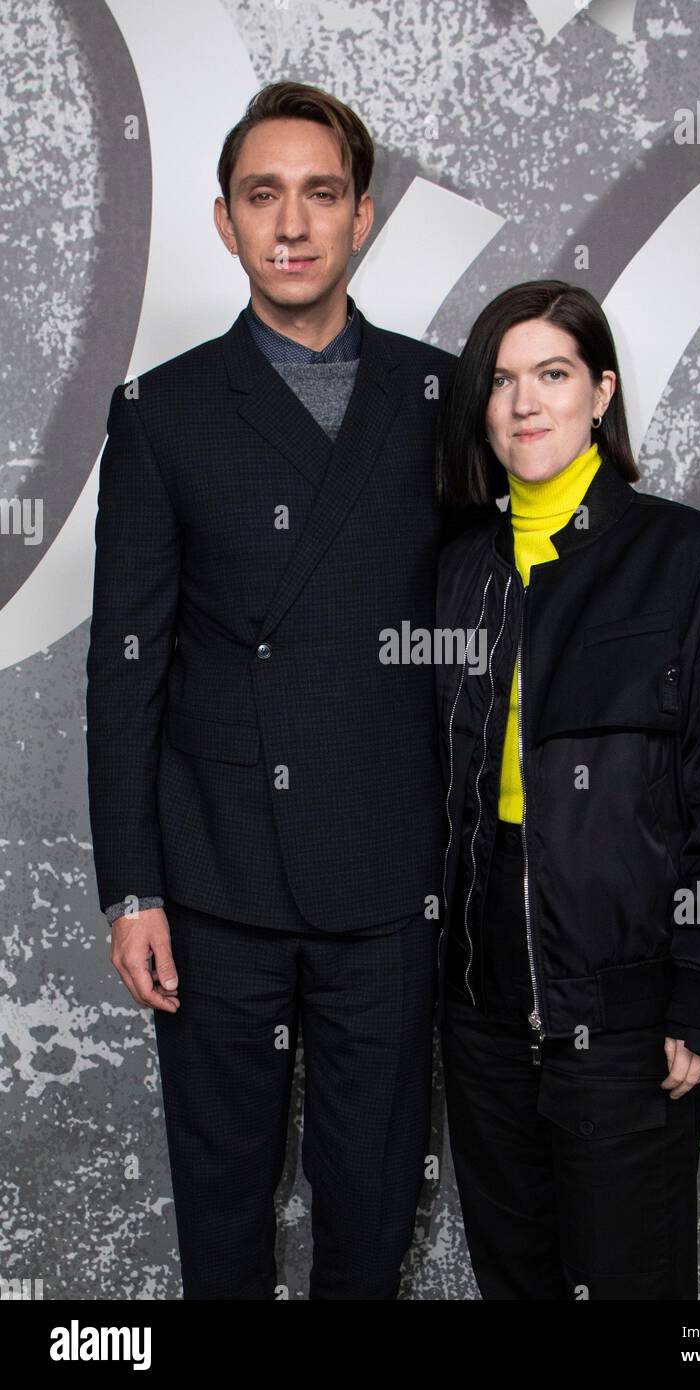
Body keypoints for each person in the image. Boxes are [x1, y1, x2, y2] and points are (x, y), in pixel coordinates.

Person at [86, 81, 456, 1299]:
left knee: (373, 1207)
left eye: (320, 193)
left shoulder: (444, 400)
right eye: (263, 195)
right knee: (224, 1205)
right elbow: (127, 662)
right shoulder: (160, 413)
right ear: (224, 223)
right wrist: (132, 886)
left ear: (361, 218)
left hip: (391, 876)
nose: (290, 222)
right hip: (214, 886)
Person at [432, 280, 700, 1300]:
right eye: (500, 381)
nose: (523, 402)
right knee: (515, 1279)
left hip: (625, 1006)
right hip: (481, 1004)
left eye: (550, 374)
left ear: (598, 393)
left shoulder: (687, 562)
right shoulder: (458, 569)